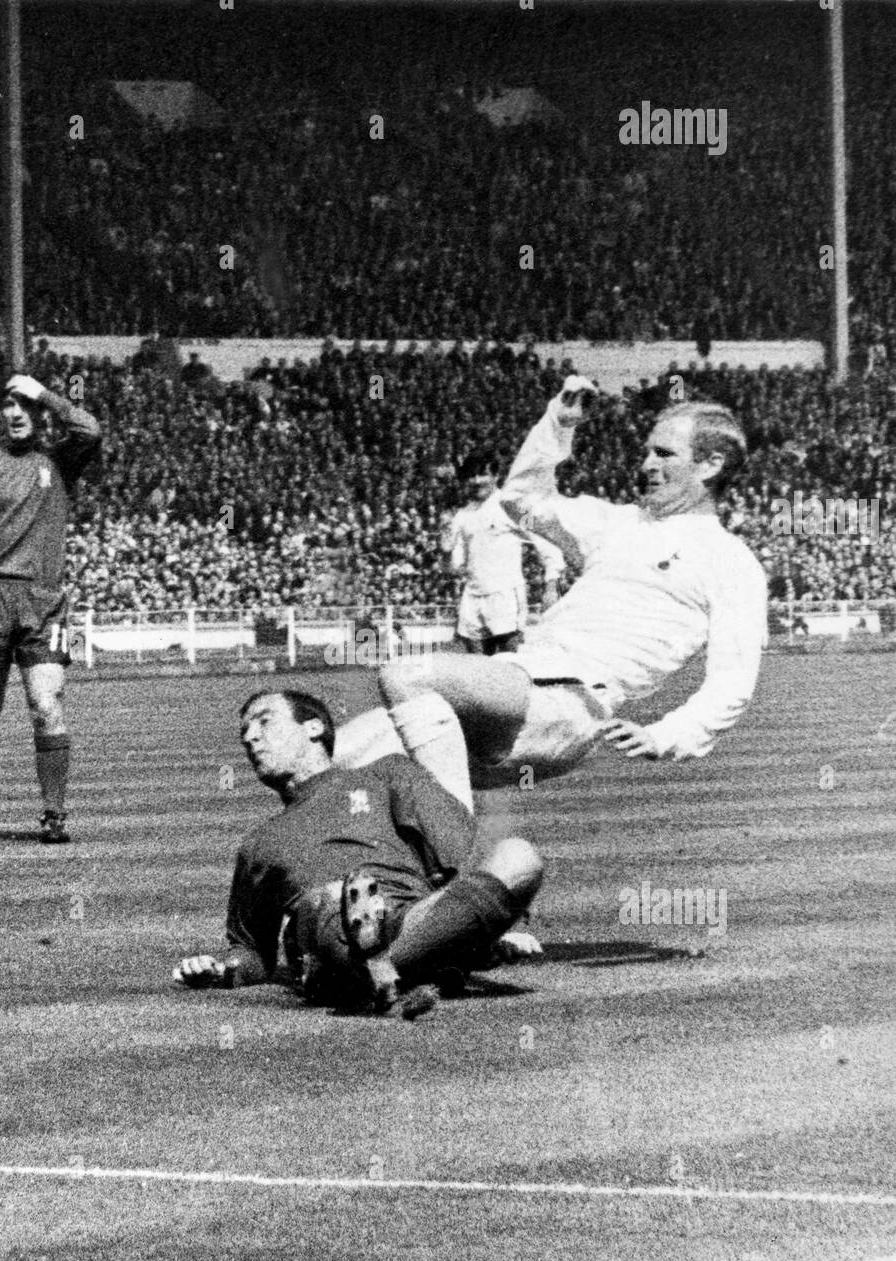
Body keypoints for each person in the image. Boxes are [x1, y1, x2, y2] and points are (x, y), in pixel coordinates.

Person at [333, 377, 768, 805]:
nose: (646, 465)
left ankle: (450, 830)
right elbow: (518, 504)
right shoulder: (615, 523)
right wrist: (557, 426)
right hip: (517, 684)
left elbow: (732, 681)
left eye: (664, 453)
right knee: (329, 766)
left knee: (406, 674)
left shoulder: (731, 562)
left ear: (710, 464)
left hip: (570, 704)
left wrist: (667, 734)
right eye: (646, 452)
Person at [172, 690, 544, 1019]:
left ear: (314, 727)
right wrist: (221, 969)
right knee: (334, 896)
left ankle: (375, 969)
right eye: (244, 735)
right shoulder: (258, 844)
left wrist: (475, 918)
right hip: (327, 920)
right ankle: (432, 957)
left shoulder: (387, 774)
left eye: (264, 722)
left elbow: (457, 849)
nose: (250, 738)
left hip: (408, 915)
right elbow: (253, 950)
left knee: (519, 857)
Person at [0, 372, 101, 843]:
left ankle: (54, 815)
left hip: (44, 601)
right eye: (8, 405)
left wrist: (45, 393)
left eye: (25, 405)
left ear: (38, 412)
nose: (15, 414)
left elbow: (90, 429)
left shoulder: (58, 460)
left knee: (46, 705)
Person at [444, 472, 565, 655]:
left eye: (482, 473)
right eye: (471, 475)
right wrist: (446, 552)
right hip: (473, 596)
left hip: (505, 593)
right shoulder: (463, 515)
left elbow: (546, 541)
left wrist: (551, 585)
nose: (476, 480)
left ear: (495, 474)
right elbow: (455, 565)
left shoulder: (513, 506)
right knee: (478, 668)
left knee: (510, 662)